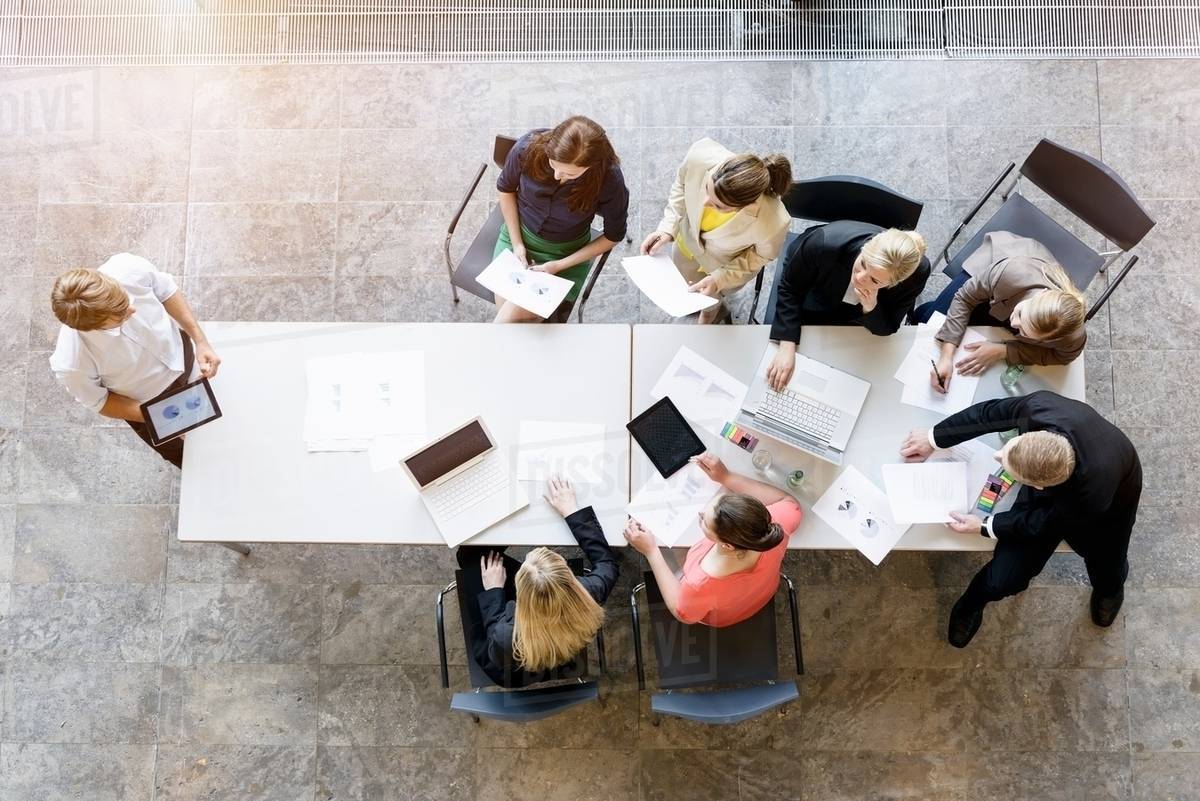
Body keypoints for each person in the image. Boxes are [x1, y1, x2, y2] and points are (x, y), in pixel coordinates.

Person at [899, 390, 1141, 648]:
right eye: (1008, 450)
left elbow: (1041, 524)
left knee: (1106, 558)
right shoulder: (1039, 407)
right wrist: (934, 439)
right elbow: (985, 414)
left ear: (1036, 487)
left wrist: (984, 526)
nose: (997, 456)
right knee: (1002, 579)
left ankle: (1109, 588)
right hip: (1060, 487)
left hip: (1112, 499)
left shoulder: (1090, 496)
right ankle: (973, 602)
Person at [49, 254, 221, 468]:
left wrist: (200, 340)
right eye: (121, 315)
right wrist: (161, 417)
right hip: (149, 405)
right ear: (93, 327)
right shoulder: (72, 363)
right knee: (195, 462)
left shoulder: (126, 267)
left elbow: (166, 291)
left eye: (125, 299)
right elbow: (101, 402)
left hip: (185, 357)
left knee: (229, 430)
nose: (132, 309)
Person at [455, 477, 619, 686]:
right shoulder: (588, 593)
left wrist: (494, 592)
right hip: (563, 653)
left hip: (510, 668)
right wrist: (572, 512)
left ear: (518, 591)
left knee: (469, 557)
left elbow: (494, 628)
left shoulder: (505, 636)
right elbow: (607, 564)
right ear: (568, 576)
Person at [623, 454, 803, 627]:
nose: (700, 514)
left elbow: (682, 614)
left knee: (666, 553)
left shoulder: (699, 584)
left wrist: (651, 551)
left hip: (721, 614)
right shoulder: (775, 523)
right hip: (762, 591)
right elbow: (788, 501)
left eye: (705, 522)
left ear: (726, 545)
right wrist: (726, 477)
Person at [911, 232, 1088, 394]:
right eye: (1020, 315)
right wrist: (946, 355)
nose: (1013, 325)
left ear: (1049, 339)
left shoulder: (1072, 337)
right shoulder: (1011, 272)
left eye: (1026, 333)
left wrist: (1004, 350)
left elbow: (1061, 357)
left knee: (945, 322)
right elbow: (966, 297)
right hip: (994, 271)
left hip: (1006, 297)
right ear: (1040, 294)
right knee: (929, 318)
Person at [493, 115, 629, 323]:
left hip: (566, 253)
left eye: (569, 173)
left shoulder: (609, 179)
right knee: (510, 319)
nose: (557, 175)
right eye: (553, 163)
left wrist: (559, 265)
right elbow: (506, 189)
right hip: (517, 234)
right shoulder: (527, 148)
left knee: (508, 321)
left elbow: (613, 235)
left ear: (591, 166)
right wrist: (517, 244)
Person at [641, 138, 792, 324]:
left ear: (748, 205)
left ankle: (713, 311)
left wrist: (719, 280)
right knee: (685, 279)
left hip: (721, 265)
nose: (705, 203)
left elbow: (760, 257)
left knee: (710, 298)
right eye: (706, 189)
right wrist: (668, 227)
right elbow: (682, 185)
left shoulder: (774, 221)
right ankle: (702, 305)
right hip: (685, 243)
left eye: (718, 205)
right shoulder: (700, 155)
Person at [766, 222, 929, 390]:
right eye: (864, 263)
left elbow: (888, 326)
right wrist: (786, 346)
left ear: (895, 283)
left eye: (874, 280)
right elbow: (790, 288)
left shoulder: (917, 274)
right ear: (866, 248)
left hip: (855, 319)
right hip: (814, 291)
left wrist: (871, 307)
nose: (860, 277)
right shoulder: (823, 243)